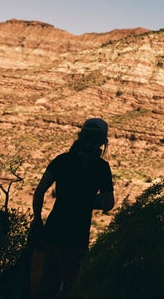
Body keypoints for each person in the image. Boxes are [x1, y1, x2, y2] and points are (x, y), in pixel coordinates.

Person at [32, 117, 115, 298]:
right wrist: (88, 201)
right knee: (69, 288)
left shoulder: (62, 160)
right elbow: (109, 203)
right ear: (103, 141)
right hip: (77, 237)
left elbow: (39, 192)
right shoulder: (102, 168)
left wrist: (37, 219)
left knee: (45, 285)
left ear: (81, 136)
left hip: (52, 231)